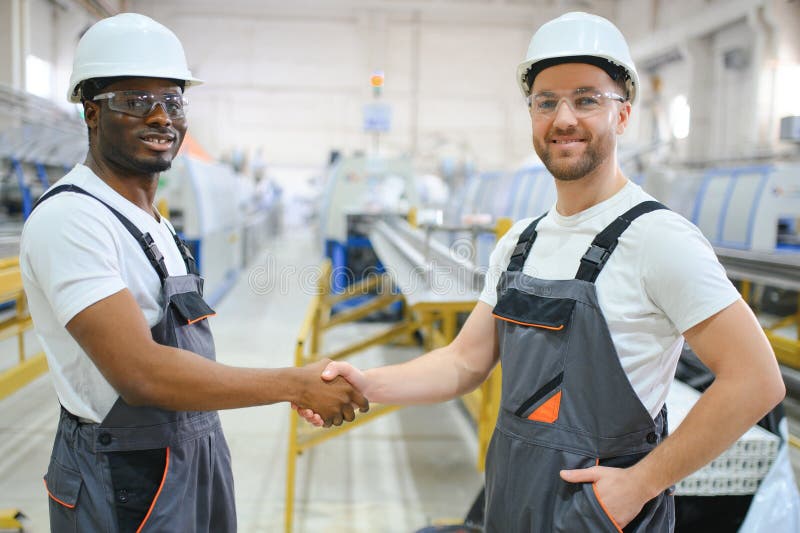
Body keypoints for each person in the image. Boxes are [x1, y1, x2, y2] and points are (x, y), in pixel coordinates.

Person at [298, 11, 785, 532]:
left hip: (600, 516)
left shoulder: (660, 240)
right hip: (513, 499)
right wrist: (365, 382)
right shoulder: (521, 242)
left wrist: (640, 484)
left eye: (587, 98)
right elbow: (464, 363)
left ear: (622, 114)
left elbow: (755, 381)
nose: (564, 118)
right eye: (546, 101)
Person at [20, 13, 367, 533]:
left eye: (173, 101)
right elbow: (140, 374)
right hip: (125, 474)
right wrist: (293, 383)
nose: (161, 117)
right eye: (135, 102)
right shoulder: (73, 219)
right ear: (91, 113)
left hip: (190, 448)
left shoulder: (150, 219)